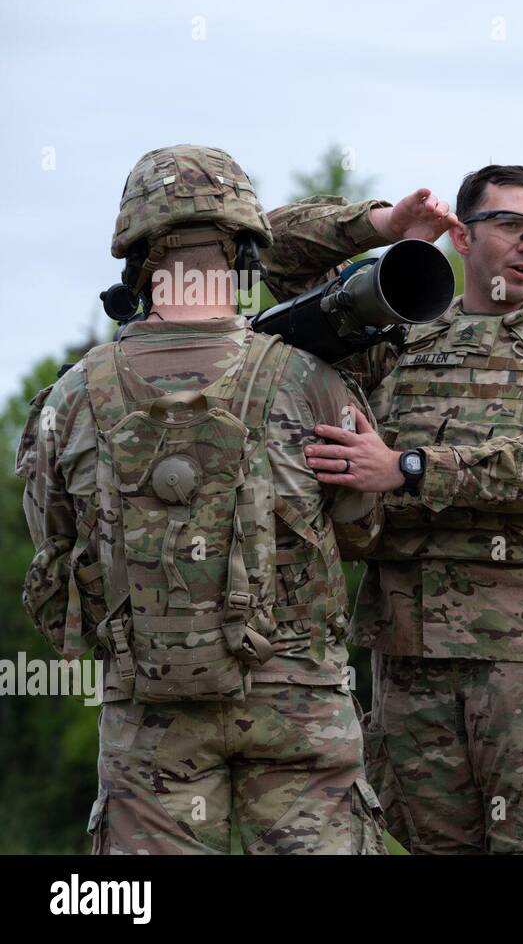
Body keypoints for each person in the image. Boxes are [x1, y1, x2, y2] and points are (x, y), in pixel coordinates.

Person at [17, 143, 395, 854]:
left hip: (148, 722)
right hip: (299, 712)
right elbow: (362, 530)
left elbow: (54, 547)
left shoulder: (70, 398)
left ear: (138, 257)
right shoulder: (312, 383)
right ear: (246, 254)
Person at [268, 164, 523, 854]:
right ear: (461, 237)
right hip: (409, 655)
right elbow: (273, 255)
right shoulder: (393, 339)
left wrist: (405, 468)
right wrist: (379, 227)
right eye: (512, 226)